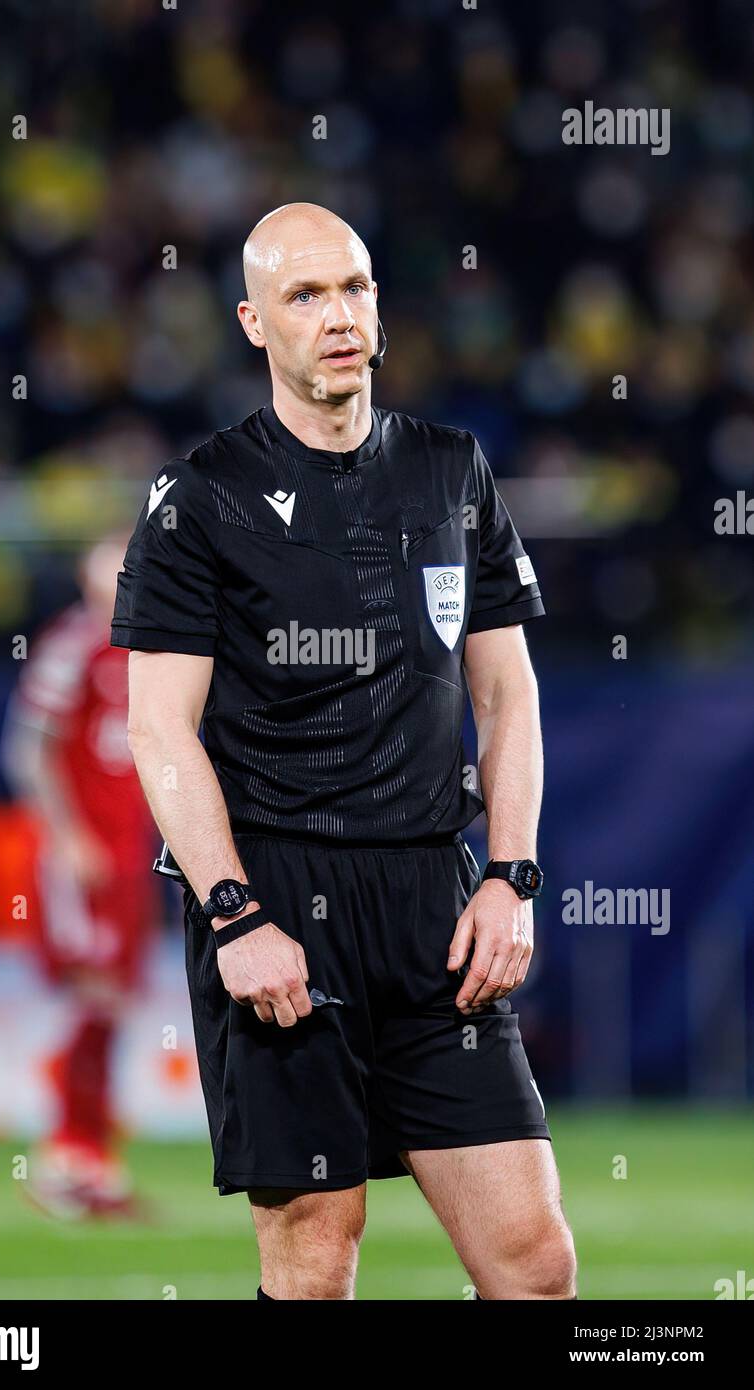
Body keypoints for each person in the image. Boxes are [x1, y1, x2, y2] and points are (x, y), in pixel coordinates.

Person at [112, 202, 577, 1298]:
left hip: (432, 905)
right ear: (251, 322)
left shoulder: (452, 469)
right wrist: (232, 913)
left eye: (354, 288)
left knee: (533, 1262)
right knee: (316, 1259)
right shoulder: (199, 498)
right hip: (276, 896)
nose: (337, 315)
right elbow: (157, 727)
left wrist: (510, 877)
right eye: (304, 295)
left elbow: (506, 693)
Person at [1, 532, 156, 1218]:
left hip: (130, 853)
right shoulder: (74, 645)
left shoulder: (153, 648)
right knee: (93, 994)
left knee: (115, 999)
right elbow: (26, 749)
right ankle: (68, 1155)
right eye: (113, 568)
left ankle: (90, 1159)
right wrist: (65, 836)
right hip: (84, 855)